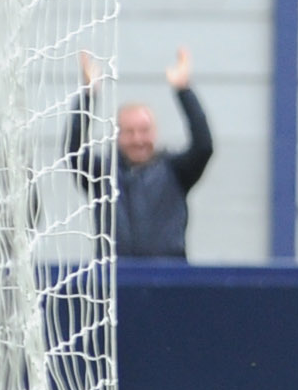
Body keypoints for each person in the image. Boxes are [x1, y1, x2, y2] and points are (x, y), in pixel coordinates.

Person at [67, 47, 213, 260]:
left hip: (169, 278)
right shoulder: (102, 175)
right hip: (115, 282)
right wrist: (89, 95)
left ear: (155, 133)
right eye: (129, 132)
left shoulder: (175, 171)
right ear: (117, 135)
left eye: (144, 131)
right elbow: (74, 150)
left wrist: (184, 90)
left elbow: (203, 146)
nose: (138, 140)